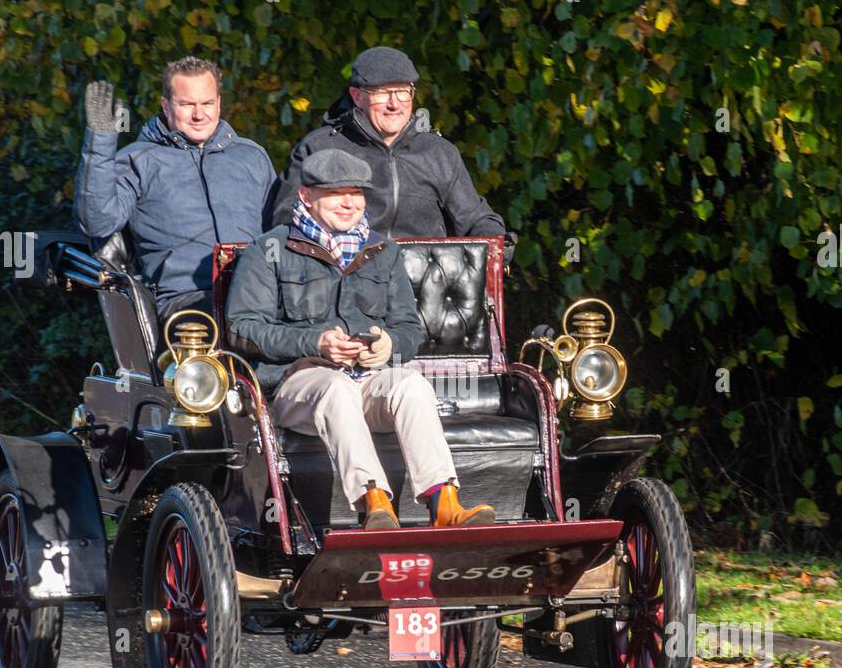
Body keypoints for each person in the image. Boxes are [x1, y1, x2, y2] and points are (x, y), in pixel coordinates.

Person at [228, 148, 495, 530]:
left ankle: (445, 503)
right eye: (337, 192)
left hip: (367, 380)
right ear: (306, 196)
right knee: (335, 387)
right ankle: (375, 503)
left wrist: (388, 346)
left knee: (411, 384)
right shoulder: (269, 250)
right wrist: (315, 343)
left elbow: (408, 328)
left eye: (356, 192)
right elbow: (242, 328)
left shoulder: (382, 251)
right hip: (296, 384)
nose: (349, 202)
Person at [266, 47, 515, 262]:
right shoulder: (318, 148)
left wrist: (498, 242)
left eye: (403, 91)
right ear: (357, 96)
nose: (394, 103)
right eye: (383, 92)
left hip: (428, 289)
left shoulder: (439, 153)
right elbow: (284, 220)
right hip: (344, 288)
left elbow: (475, 219)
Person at [74, 57, 276, 320]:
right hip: (185, 302)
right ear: (165, 106)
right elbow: (96, 223)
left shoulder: (252, 156)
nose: (199, 114)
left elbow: (280, 230)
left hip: (258, 294)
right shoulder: (139, 160)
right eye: (187, 104)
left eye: (207, 103)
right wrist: (100, 142)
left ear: (219, 103)